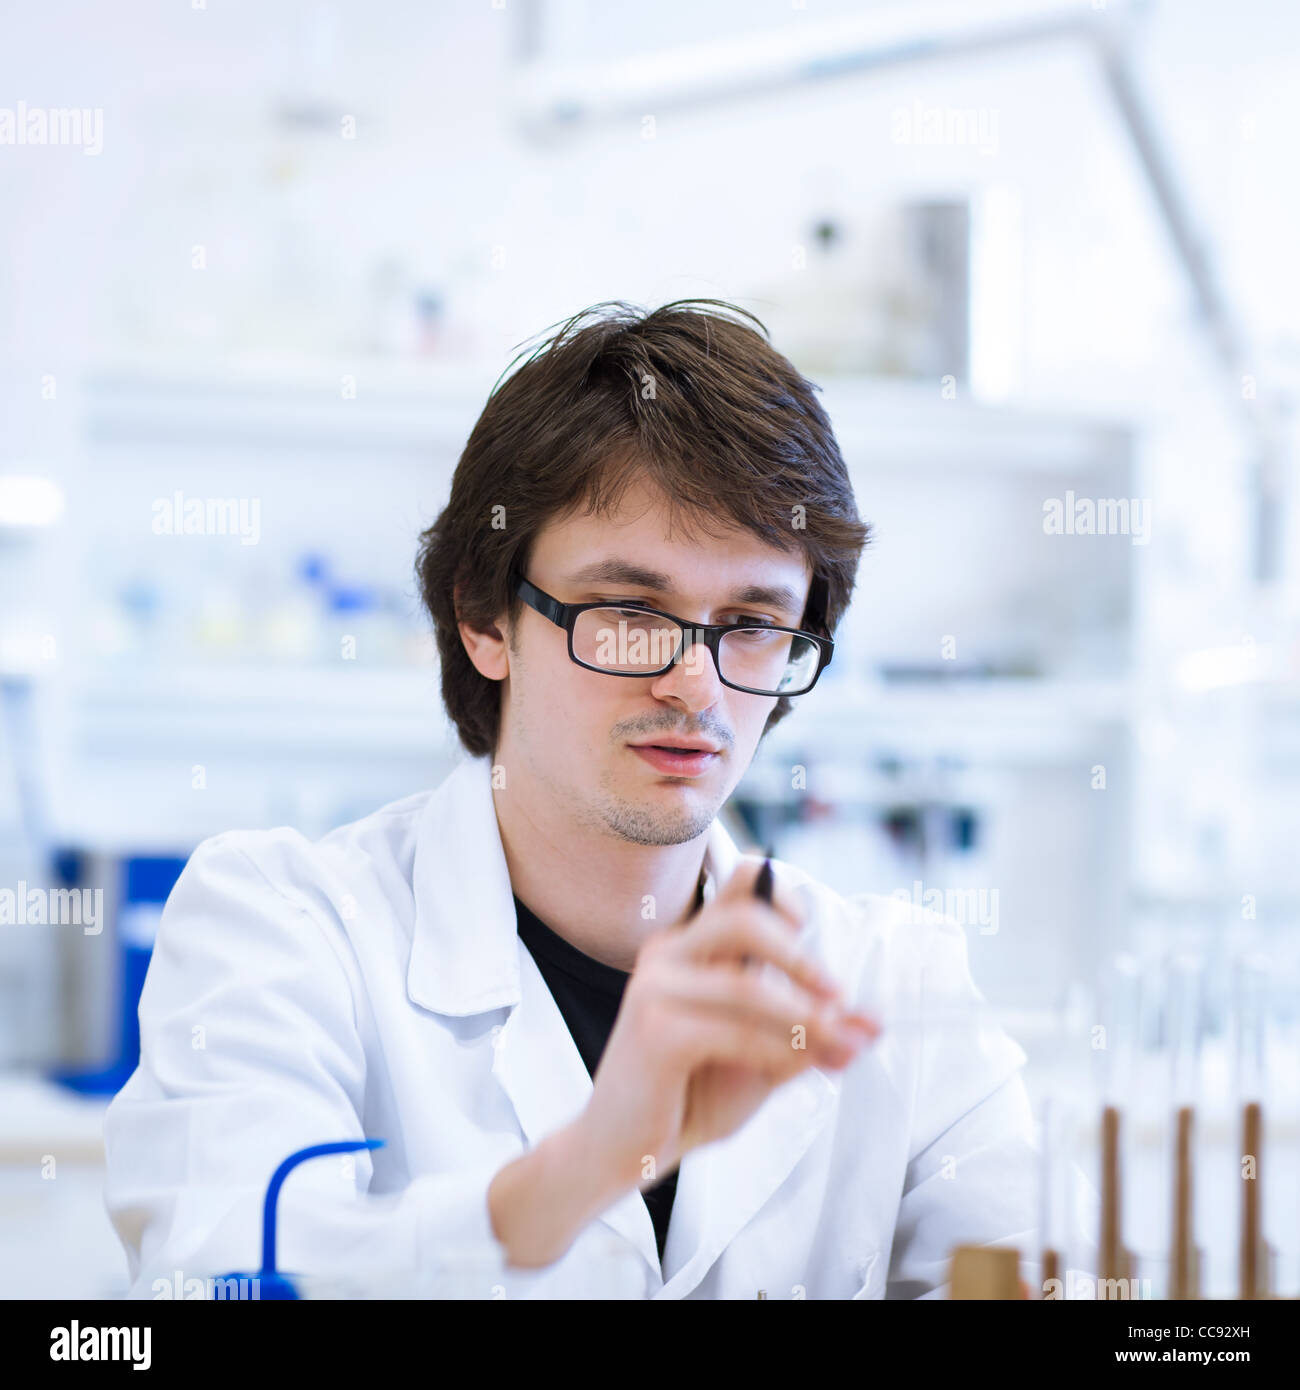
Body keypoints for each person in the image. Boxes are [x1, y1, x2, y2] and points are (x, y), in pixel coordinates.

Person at [104, 300, 1089, 1299]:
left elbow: (1042, 1281)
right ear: (486, 617)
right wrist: (586, 1166)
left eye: (751, 621)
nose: (694, 684)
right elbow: (218, 1283)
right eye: (628, 609)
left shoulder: (890, 983)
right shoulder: (284, 928)